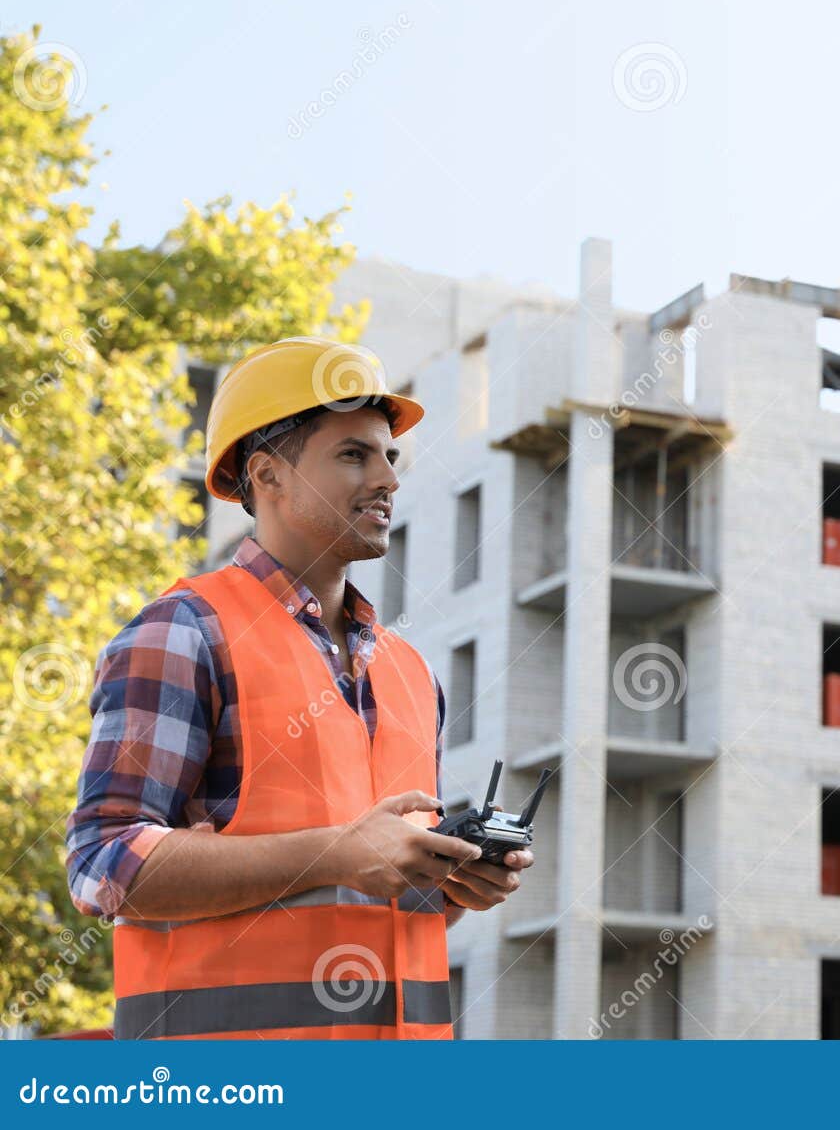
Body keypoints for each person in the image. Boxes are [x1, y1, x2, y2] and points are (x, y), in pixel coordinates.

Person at [65, 336, 531, 1039]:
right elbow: (102, 864)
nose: (388, 478)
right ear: (268, 475)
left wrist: (454, 883)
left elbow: (376, 900)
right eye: (353, 454)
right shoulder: (185, 631)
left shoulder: (409, 673)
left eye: (389, 455)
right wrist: (333, 852)